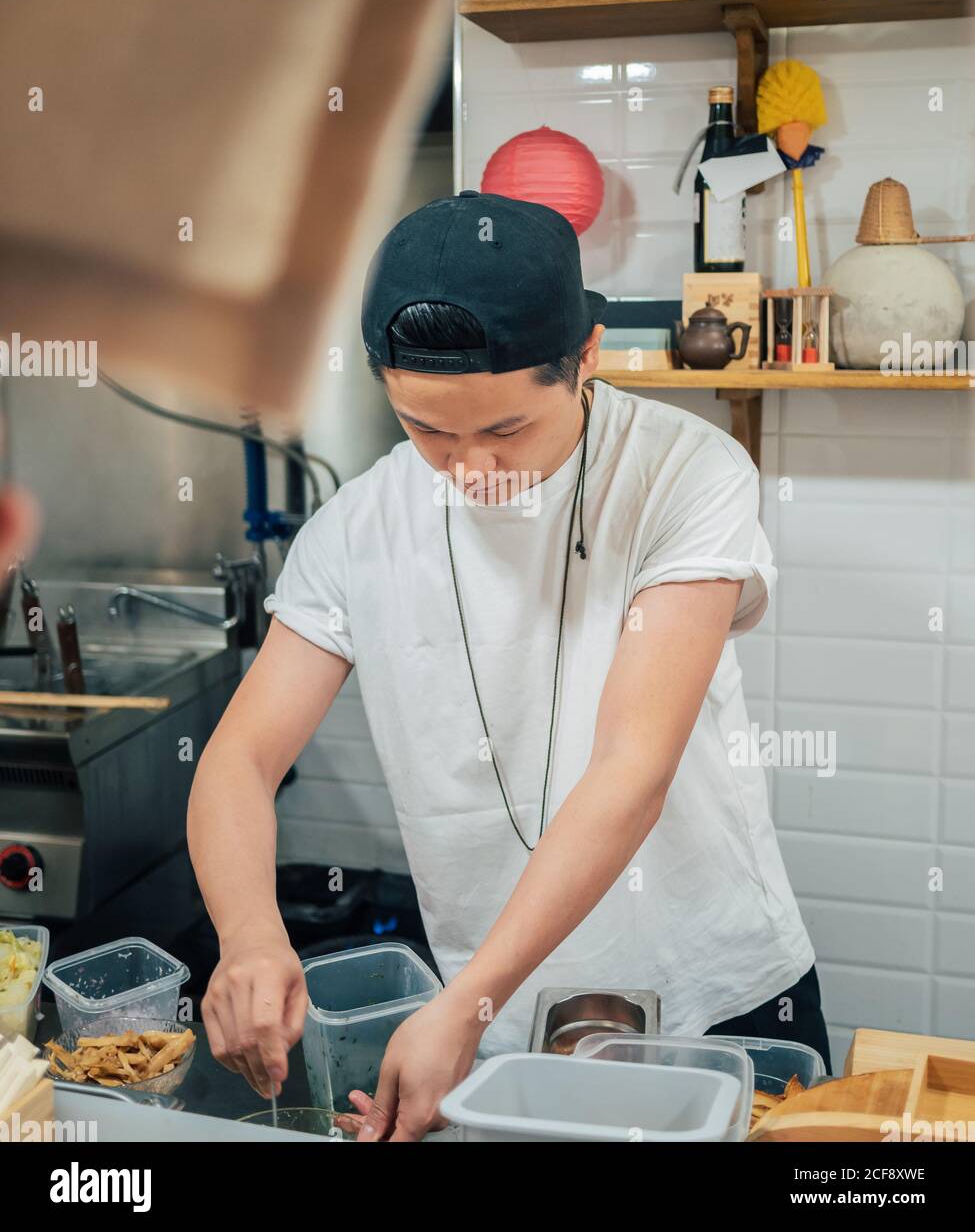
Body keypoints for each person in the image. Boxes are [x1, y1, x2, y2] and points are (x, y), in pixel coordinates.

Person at [187, 190, 829, 1143]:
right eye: (426, 430)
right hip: (497, 1019)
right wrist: (248, 938)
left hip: (709, 986)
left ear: (585, 361)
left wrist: (470, 999)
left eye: (504, 432)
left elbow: (632, 766)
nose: (466, 467)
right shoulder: (357, 527)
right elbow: (239, 762)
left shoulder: (685, 474)